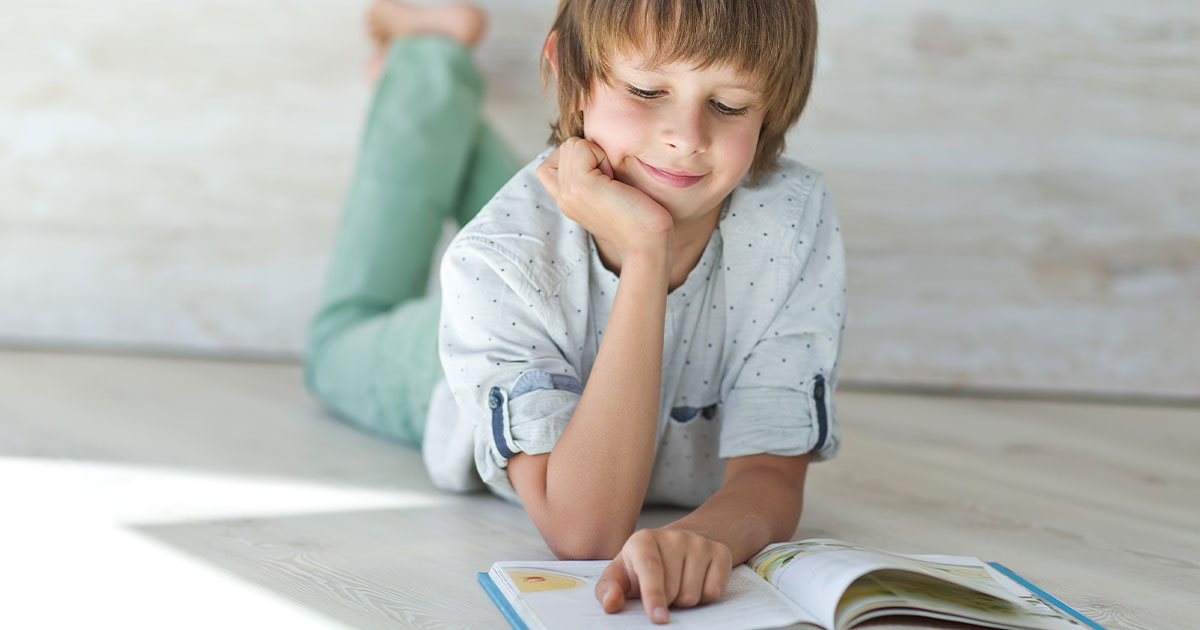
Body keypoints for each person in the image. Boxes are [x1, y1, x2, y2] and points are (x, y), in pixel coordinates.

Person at [305, 0, 846, 624]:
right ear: (568, 72)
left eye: (728, 105)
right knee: (339, 338)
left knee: (558, 222)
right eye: (646, 89)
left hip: (551, 276)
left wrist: (708, 538)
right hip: (463, 349)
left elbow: (771, 474)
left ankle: (446, 100)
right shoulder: (495, 262)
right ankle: (426, 61)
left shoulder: (790, 221)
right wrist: (647, 252)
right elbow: (585, 534)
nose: (686, 137)